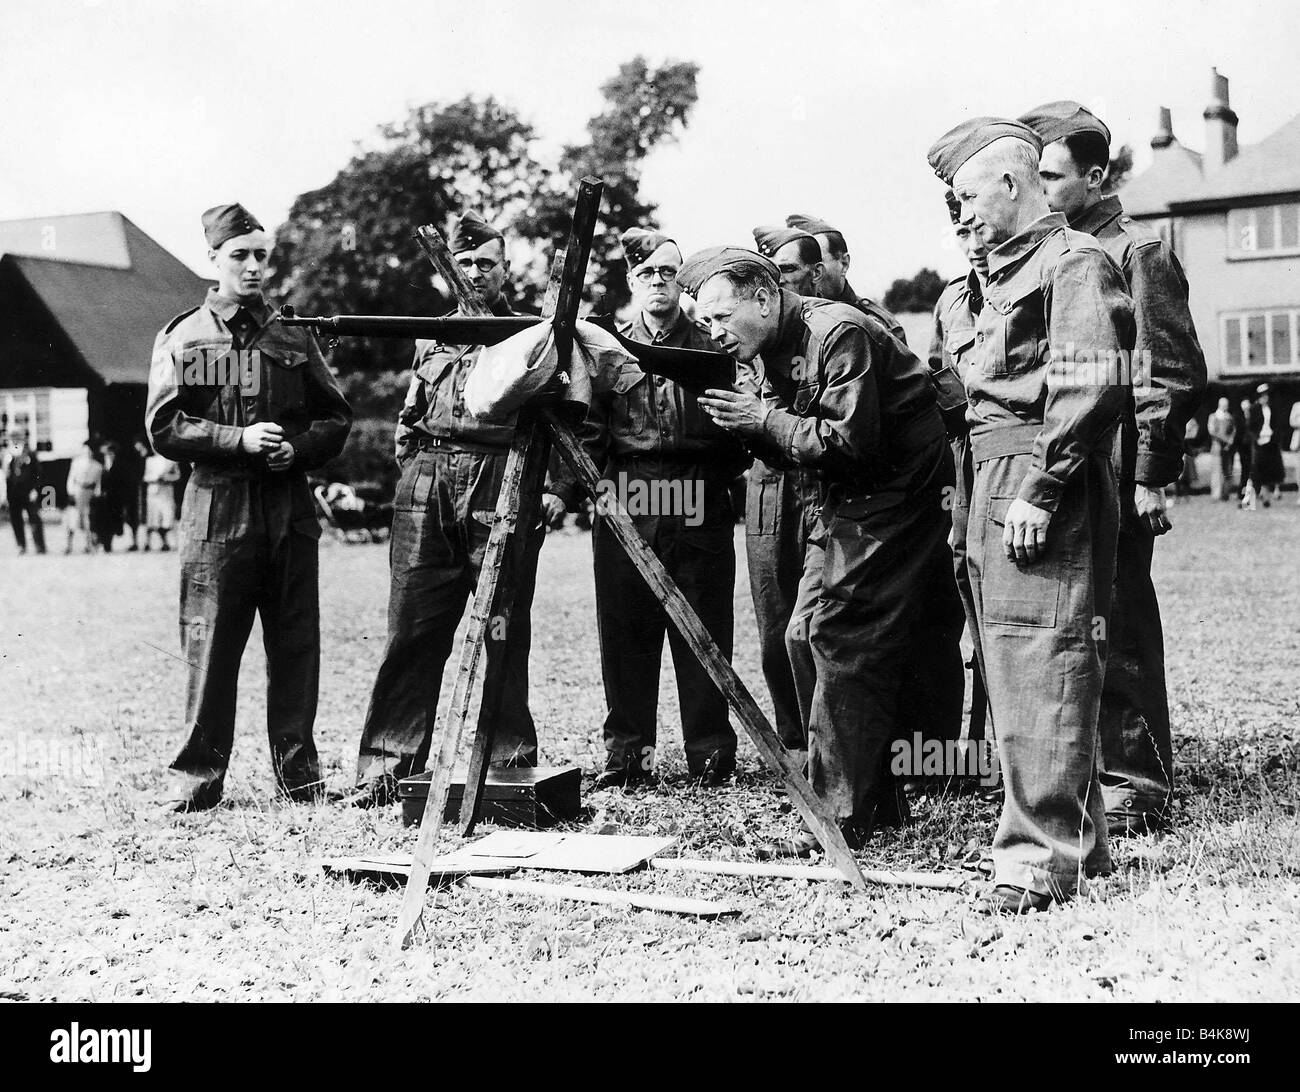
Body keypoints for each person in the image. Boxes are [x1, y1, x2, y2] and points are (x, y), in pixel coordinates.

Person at [929, 117, 1135, 912]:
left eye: (967, 198)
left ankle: (1039, 857)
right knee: (1016, 668)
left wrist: (1041, 489)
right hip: (991, 471)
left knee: (1043, 653)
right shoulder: (992, 274)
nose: (959, 217)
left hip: (1042, 468)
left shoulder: (1072, 260)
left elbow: (1091, 384)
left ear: (1013, 186)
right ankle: (1076, 841)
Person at [688, 246, 952, 854]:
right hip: (842, 495)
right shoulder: (766, 349)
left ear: (763, 297)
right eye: (706, 322)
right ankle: (873, 795)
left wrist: (762, 422)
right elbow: (801, 444)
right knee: (800, 634)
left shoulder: (840, 332)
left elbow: (852, 442)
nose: (715, 332)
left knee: (839, 633)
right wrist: (749, 428)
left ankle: (840, 812)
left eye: (722, 317)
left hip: (897, 493)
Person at [1022, 100, 1207, 838]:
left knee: (1120, 617)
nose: (1042, 191)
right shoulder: (1053, 253)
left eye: (1053, 176)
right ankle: (1091, 770)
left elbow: (1169, 369)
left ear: (1097, 175)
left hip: (1122, 455)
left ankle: (1139, 781)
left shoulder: (1138, 251)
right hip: (1073, 455)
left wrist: (1150, 473)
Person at [344, 211, 565, 807]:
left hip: (502, 477)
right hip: (428, 483)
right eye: (463, 263)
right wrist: (415, 472)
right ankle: (387, 767)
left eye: (485, 263)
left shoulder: (532, 334)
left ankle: (507, 764)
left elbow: (573, 419)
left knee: (501, 625)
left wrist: (554, 488)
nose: (473, 272)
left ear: (504, 270)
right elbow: (410, 415)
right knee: (412, 627)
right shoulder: (432, 334)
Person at [145, 202, 353, 812]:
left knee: (295, 645)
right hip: (216, 513)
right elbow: (162, 427)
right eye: (240, 256)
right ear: (213, 260)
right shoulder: (187, 336)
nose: (254, 267)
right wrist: (236, 439)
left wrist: (298, 448)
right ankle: (197, 780)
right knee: (210, 648)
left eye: (262, 254)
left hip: (287, 509)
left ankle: (301, 779)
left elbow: (336, 417)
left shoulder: (293, 333)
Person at [579, 228, 746, 788]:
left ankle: (710, 753)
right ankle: (629, 758)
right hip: (627, 492)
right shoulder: (605, 347)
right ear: (630, 280)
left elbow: (737, 432)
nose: (657, 282)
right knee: (626, 625)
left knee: (703, 619)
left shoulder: (712, 346)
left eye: (668, 273)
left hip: (696, 489)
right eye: (646, 273)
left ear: (682, 281)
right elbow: (590, 427)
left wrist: (712, 484)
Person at [927, 190, 991, 740]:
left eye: (979, 229)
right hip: (964, 465)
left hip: (1013, 460)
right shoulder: (951, 301)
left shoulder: (1036, 287)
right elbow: (936, 375)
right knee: (966, 584)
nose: (973, 244)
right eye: (962, 234)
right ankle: (978, 747)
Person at [4, 429, 46, 555]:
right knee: (16, 520)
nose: (14, 440)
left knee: (34, 519)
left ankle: (40, 546)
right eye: (12, 438)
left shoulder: (30, 454)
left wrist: (35, 489)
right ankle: (21, 545)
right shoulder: (7, 455)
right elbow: (6, 476)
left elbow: (38, 474)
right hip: (13, 493)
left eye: (17, 437)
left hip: (28, 492)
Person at [1248, 383, 1284, 506]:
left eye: (1266, 396)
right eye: (1262, 396)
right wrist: (1257, 438)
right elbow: (1251, 428)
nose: (1265, 398)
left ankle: (1272, 491)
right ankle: (1263, 493)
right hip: (1260, 443)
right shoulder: (1254, 410)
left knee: (1273, 468)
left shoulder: (1273, 409)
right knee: (1260, 469)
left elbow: (1278, 425)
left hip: (1271, 442)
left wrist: (1274, 438)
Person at [65, 440, 103, 554]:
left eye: (89, 451)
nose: (87, 453)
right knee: (73, 519)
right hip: (77, 491)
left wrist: (97, 493)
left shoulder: (97, 466)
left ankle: (89, 545)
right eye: (85, 450)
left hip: (89, 493)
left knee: (88, 520)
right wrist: (70, 492)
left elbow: (98, 483)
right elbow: (71, 478)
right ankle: (69, 545)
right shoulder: (76, 463)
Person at [142, 445, 180, 551]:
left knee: (166, 517)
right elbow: (145, 477)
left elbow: (177, 476)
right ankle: (147, 543)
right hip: (153, 491)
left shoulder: (171, 461)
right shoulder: (150, 460)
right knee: (153, 517)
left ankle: (167, 542)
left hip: (166, 491)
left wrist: (166, 478)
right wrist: (154, 478)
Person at [95, 441, 129, 552]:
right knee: (103, 522)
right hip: (103, 500)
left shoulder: (120, 465)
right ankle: (104, 543)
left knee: (114, 522)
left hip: (115, 499)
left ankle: (109, 543)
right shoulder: (101, 464)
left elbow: (122, 482)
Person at [1207, 397, 1237, 501]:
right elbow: (1212, 432)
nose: (1225, 406)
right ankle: (1216, 494)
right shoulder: (1213, 417)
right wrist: (1225, 439)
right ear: (1220, 405)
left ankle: (1225, 493)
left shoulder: (1229, 417)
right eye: (1224, 404)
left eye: (1226, 404)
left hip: (1227, 449)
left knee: (1227, 470)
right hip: (1217, 448)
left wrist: (1230, 440)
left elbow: (1233, 430)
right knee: (1216, 471)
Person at [1237, 396, 1257, 509]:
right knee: (1245, 470)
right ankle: (1242, 493)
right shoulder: (1239, 418)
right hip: (1243, 449)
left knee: (1253, 470)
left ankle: (1252, 493)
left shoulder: (1254, 417)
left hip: (1253, 447)